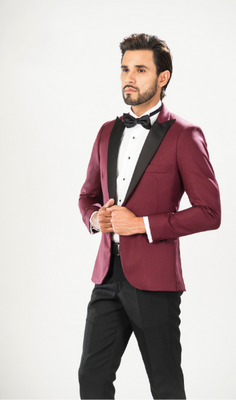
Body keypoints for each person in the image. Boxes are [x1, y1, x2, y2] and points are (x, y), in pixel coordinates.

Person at [77, 33, 220, 399]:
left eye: (140, 69)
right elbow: (88, 196)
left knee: (166, 385)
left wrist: (141, 225)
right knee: (91, 379)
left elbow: (209, 212)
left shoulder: (185, 135)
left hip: (156, 282)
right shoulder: (107, 132)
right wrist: (97, 219)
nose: (129, 77)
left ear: (163, 78)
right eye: (125, 69)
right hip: (107, 276)